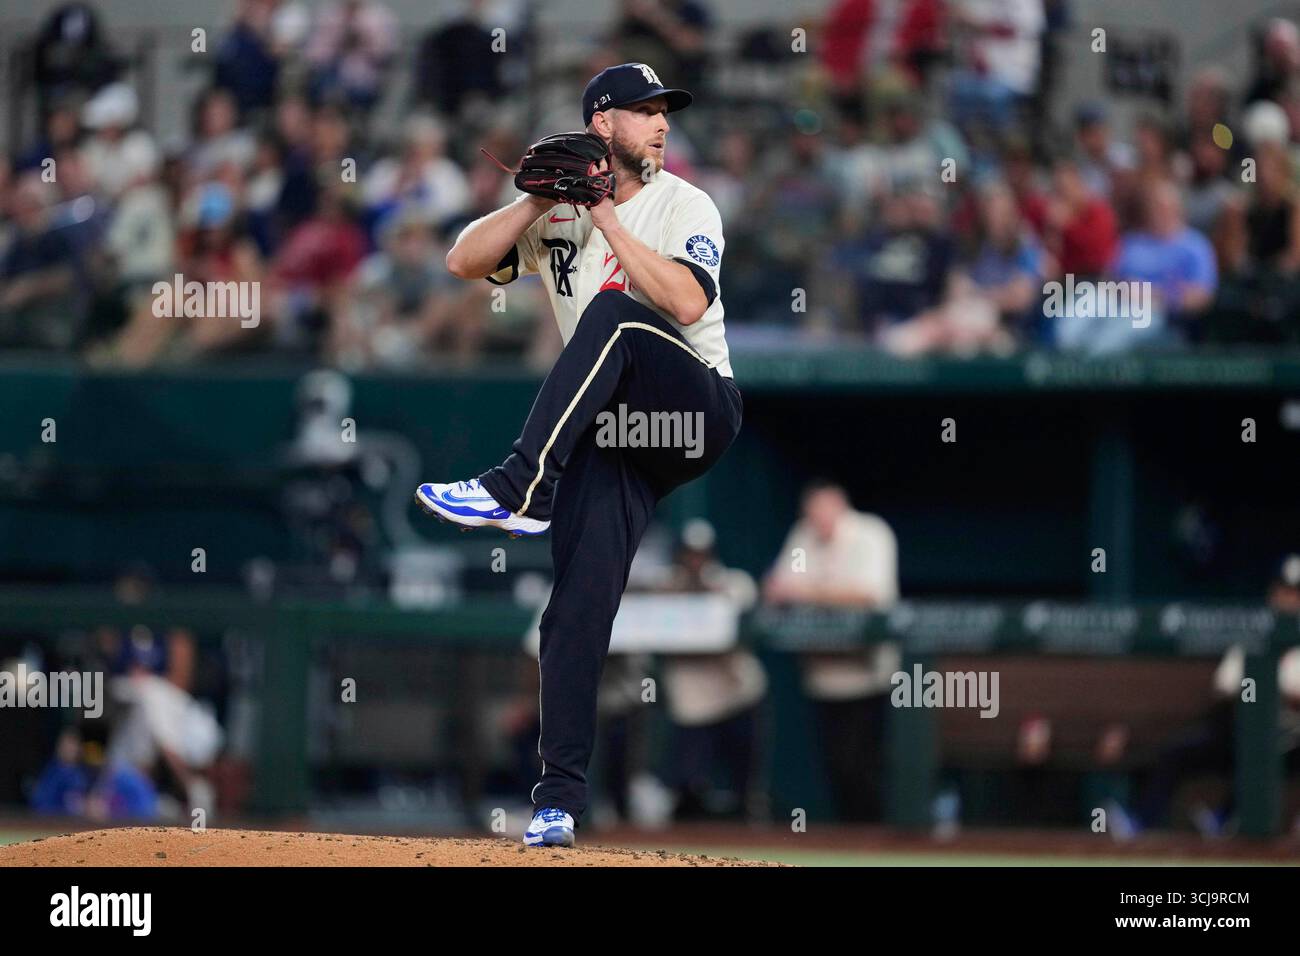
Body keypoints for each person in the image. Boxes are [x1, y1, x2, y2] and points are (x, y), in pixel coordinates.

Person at [414, 62, 742, 848]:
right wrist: (536, 199)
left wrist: (608, 220)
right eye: (644, 112)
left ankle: (517, 488)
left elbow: (689, 302)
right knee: (575, 610)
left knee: (614, 316)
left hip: (693, 407)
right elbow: (461, 262)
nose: (661, 124)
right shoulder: (556, 215)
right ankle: (557, 800)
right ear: (603, 123)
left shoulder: (684, 201)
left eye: (665, 112)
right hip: (610, 431)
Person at [762, 481, 899, 822]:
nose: (818, 521)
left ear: (841, 507)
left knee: (862, 764)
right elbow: (776, 587)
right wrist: (803, 591)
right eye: (812, 513)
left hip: (868, 672)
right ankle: (850, 842)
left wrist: (806, 593)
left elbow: (869, 595)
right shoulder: (803, 535)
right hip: (822, 673)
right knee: (836, 764)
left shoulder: (870, 533)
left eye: (825, 512)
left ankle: (876, 841)